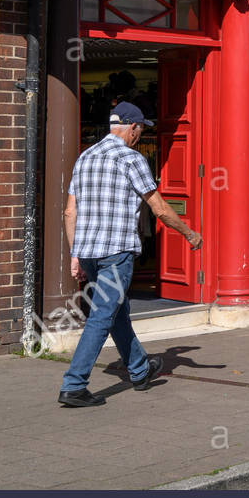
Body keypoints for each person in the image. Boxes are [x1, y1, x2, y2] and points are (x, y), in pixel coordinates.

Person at [58, 102, 202, 407]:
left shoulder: (84, 157)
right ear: (132, 127)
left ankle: (139, 370)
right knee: (101, 316)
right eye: (140, 130)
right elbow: (160, 208)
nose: (140, 136)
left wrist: (75, 255)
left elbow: (70, 211)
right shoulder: (131, 159)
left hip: (87, 252)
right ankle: (74, 384)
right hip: (115, 252)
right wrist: (189, 233)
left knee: (116, 311)